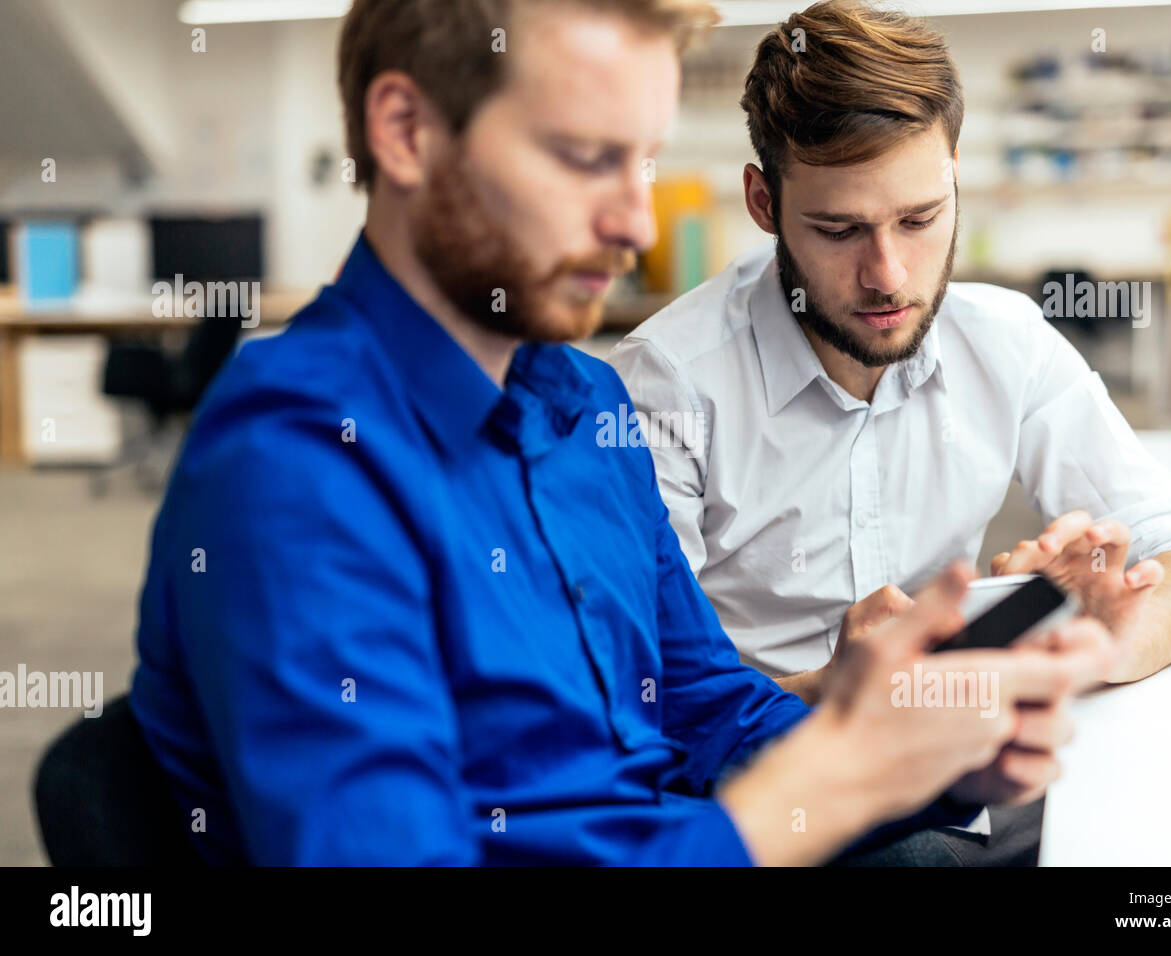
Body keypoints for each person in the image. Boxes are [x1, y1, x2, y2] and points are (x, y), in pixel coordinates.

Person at [127, 0, 1113, 867]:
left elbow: (704, 707)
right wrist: (847, 777)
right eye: (584, 158)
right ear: (405, 131)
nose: (637, 223)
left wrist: (924, 749)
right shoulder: (297, 461)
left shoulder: (585, 404)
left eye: (637, 163)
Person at [610, 0, 1171, 862]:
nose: (889, 275)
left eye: (918, 218)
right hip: (780, 797)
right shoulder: (665, 386)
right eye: (839, 231)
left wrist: (1084, 639)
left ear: (953, 175)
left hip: (965, 769)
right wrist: (837, 687)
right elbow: (635, 707)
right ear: (763, 201)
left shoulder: (1004, 341)